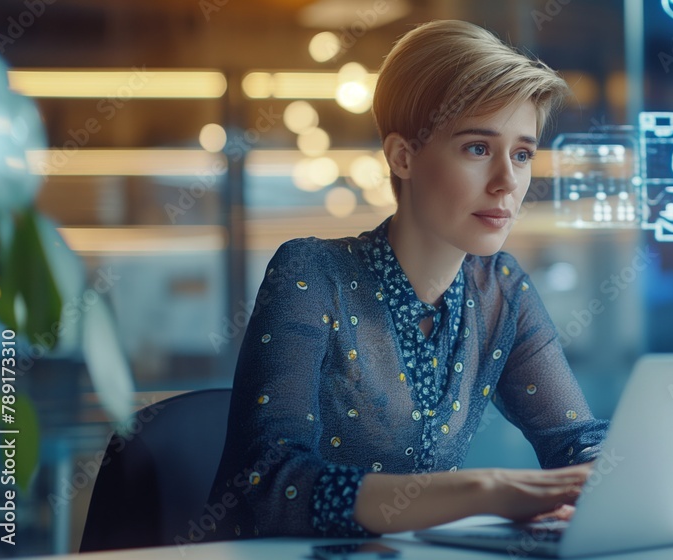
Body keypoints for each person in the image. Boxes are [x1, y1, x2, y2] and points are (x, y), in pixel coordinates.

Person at [204, 19, 609, 541]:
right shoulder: (312, 274)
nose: (508, 182)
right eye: (478, 148)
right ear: (403, 156)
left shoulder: (500, 288)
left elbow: (576, 440)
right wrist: (482, 491)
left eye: (522, 154)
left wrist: (607, 481)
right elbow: (269, 486)